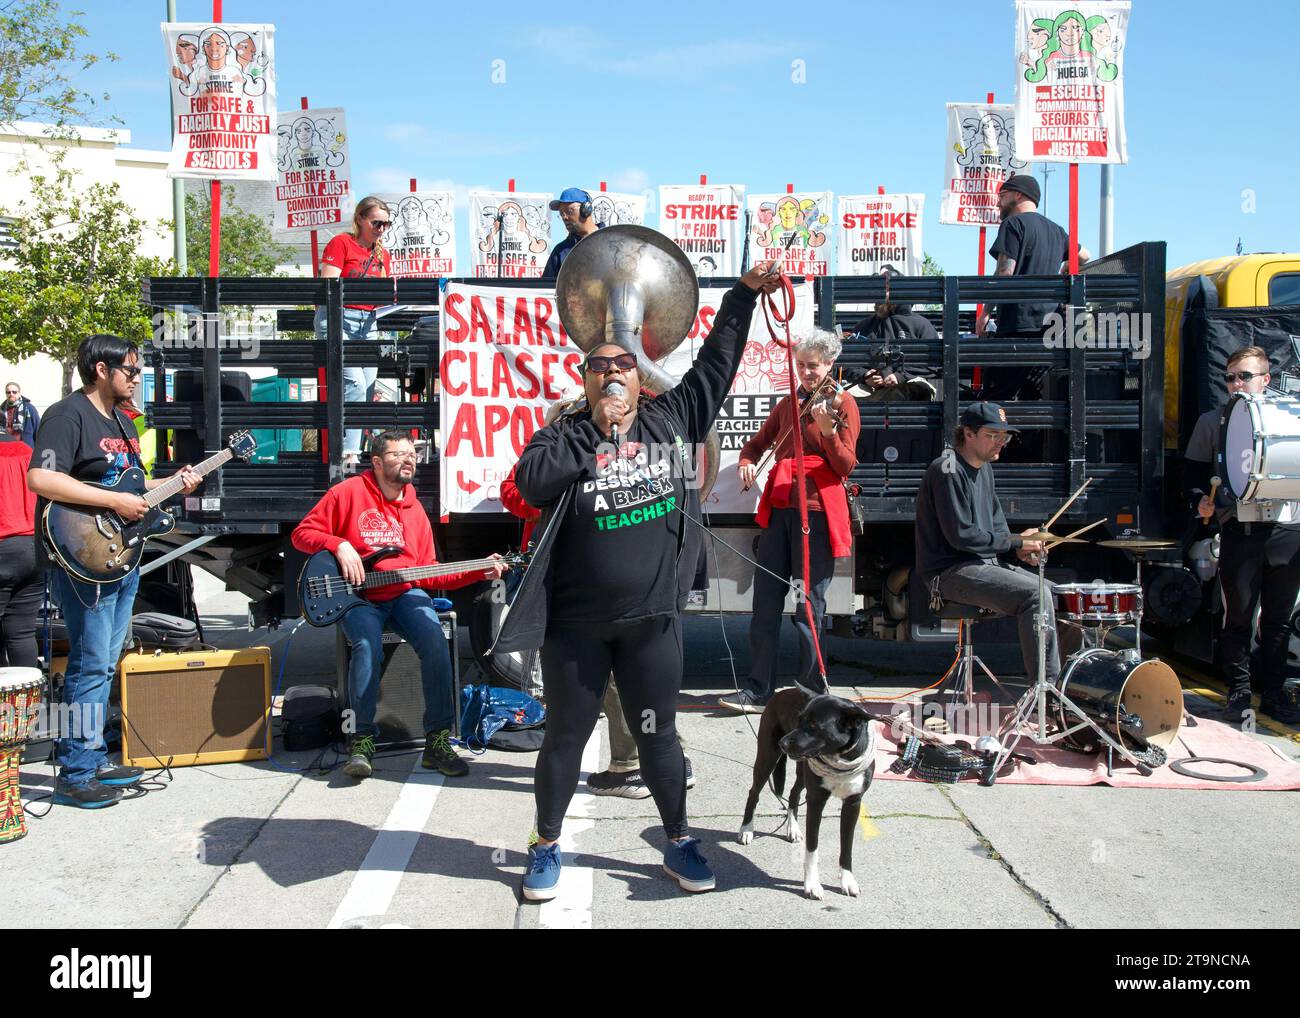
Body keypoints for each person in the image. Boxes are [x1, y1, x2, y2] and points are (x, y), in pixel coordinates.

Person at [497, 261, 782, 901]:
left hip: (651, 624)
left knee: (659, 735)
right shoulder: (560, 436)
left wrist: (742, 296)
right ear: (585, 379)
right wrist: (595, 433)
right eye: (599, 369)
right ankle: (545, 846)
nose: (611, 376)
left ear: (638, 374)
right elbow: (533, 483)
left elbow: (717, 365)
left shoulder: (670, 419)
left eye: (621, 367)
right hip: (575, 630)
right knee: (566, 738)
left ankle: (678, 840)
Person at [27, 335, 202, 809]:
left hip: (119, 556)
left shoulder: (121, 424)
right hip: (81, 556)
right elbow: (40, 478)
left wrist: (175, 484)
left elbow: (134, 489)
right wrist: (112, 500)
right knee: (88, 661)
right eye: (129, 370)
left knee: (105, 660)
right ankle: (76, 772)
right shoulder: (67, 415)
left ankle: (94, 756)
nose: (136, 377)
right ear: (101, 370)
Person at [292, 430, 508, 778]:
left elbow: (430, 574)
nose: (409, 460)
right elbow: (301, 534)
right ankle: (362, 742)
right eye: (398, 454)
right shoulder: (347, 493)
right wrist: (338, 544)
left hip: (403, 593)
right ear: (376, 462)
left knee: (436, 642)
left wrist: (478, 572)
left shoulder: (415, 509)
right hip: (356, 599)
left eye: (412, 454)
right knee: (365, 646)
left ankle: (437, 741)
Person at [719, 329, 861, 713]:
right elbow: (755, 445)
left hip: (815, 512)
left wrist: (830, 434)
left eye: (813, 366)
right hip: (781, 510)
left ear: (830, 364)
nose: (807, 373)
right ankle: (757, 689)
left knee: (808, 607)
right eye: (801, 365)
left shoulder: (842, 403)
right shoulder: (788, 404)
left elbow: (845, 464)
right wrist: (747, 463)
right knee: (764, 603)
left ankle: (812, 693)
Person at [1185, 347, 1300, 724]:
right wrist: (1201, 499)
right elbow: (1190, 476)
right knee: (1238, 616)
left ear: (1266, 379)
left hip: (1286, 528)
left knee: (1279, 620)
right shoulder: (1211, 421)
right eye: (1230, 377)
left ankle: (1275, 691)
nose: (1236, 384)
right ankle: (1238, 691)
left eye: (1244, 376)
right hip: (1241, 528)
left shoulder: (1289, 414)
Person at [914, 403, 1062, 689]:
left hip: (982, 566)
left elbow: (996, 529)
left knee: (1060, 596)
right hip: (948, 573)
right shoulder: (947, 468)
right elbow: (962, 536)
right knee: (1037, 595)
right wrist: (1018, 539)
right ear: (968, 434)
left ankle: (1071, 686)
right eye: (993, 435)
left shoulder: (985, 470)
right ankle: (1046, 692)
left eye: (1004, 437)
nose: (1000, 443)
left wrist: (1021, 549)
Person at [975, 174, 1069, 403]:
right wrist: (1065, 268)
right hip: (1051, 328)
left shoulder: (1013, 224)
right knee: (1036, 399)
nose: (998, 203)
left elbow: (1005, 273)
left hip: (1017, 324)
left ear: (1018, 195)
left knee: (994, 400)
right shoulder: (1057, 231)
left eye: (1002, 196)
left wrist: (985, 312)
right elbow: (1084, 255)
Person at [317, 196, 395, 470]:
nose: (382, 229)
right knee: (355, 384)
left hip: (368, 320)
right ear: (360, 219)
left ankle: (358, 449)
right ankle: (349, 454)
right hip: (340, 318)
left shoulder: (381, 253)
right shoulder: (342, 243)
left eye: (386, 224)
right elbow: (328, 283)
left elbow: (385, 292)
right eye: (376, 223)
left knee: (369, 385)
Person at [0, 431, 38, 668]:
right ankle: (26, 704)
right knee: (22, 634)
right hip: (33, 548)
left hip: (4, 545)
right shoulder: (27, 451)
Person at [541, 188, 601, 281]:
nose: (564, 217)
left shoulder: (611, 241)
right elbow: (546, 288)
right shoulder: (560, 251)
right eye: (561, 214)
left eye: (569, 211)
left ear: (586, 209)